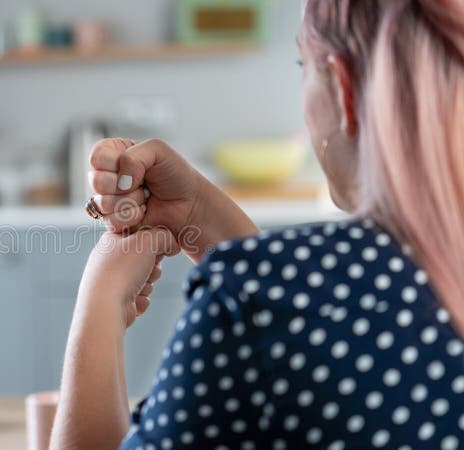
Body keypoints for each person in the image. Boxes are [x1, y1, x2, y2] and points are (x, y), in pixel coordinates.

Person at [52, 0, 464, 448]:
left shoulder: (252, 296)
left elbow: (277, 318)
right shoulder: (285, 297)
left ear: (344, 88)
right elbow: (302, 330)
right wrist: (197, 214)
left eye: (301, 64)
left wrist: (103, 296)